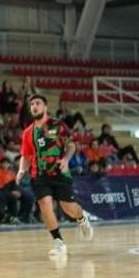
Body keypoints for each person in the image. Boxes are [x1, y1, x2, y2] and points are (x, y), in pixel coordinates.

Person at [16, 94, 93, 257]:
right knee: (44, 203)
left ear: (45, 107)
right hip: (39, 175)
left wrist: (66, 159)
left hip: (60, 172)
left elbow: (71, 145)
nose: (34, 106)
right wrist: (22, 170)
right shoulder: (28, 133)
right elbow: (26, 155)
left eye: (37, 103)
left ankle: (81, 218)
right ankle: (58, 242)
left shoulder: (58, 126)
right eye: (32, 104)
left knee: (69, 208)